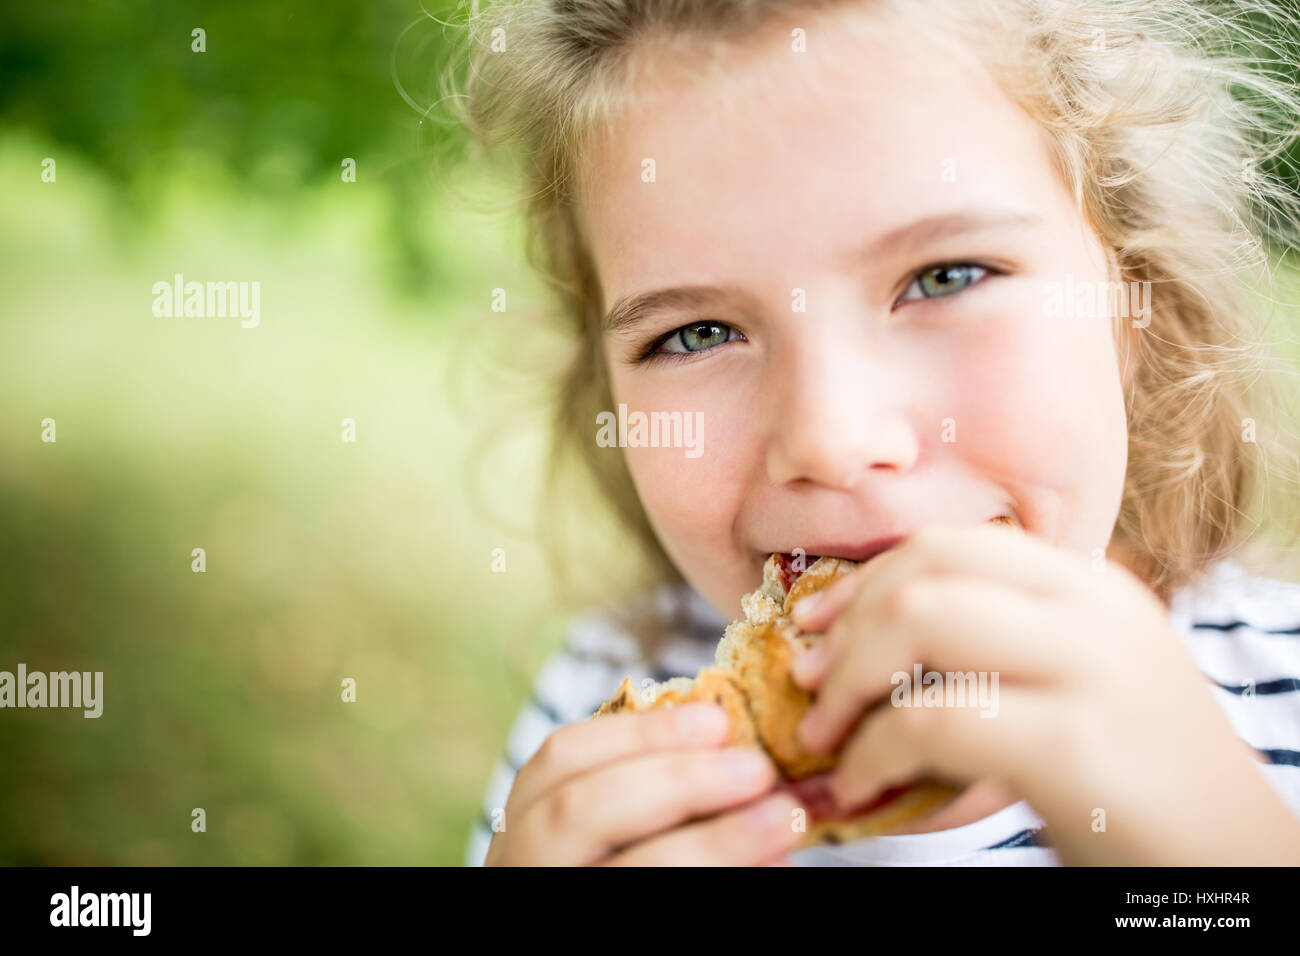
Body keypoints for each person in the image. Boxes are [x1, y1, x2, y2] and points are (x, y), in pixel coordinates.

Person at [451, 0, 1300, 866]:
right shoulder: (606, 711)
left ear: (1131, 303)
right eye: (698, 333)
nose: (828, 437)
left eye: (945, 277)